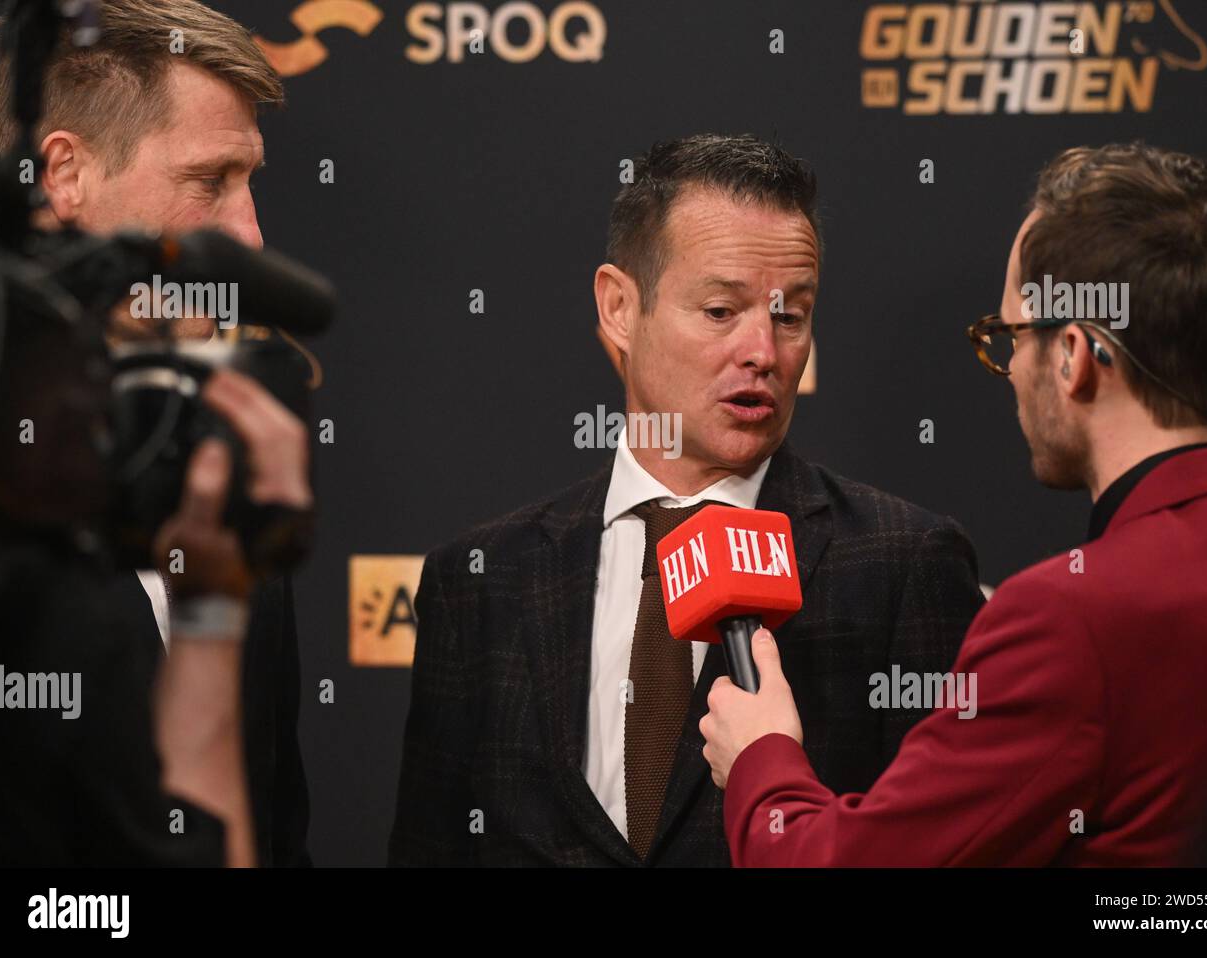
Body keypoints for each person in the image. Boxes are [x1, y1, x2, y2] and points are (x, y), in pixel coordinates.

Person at [389, 133, 985, 866]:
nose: (763, 352)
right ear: (618, 308)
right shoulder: (480, 578)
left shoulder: (903, 562)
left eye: (789, 315)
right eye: (719, 311)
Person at [702, 142, 1207, 866]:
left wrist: (761, 758)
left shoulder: (1068, 621)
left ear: (1071, 357)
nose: (1009, 372)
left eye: (1010, 338)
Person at [0, 0, 311, 865]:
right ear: (64, 176)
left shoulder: (208, 486)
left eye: (251, 182)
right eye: (209, 181)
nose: (251, 233)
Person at [0, 369, 313, 866]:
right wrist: (209, 616)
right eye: (134, 323)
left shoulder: (245, 562)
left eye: (187, 311)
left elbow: (277, 798)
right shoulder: (30, 580)